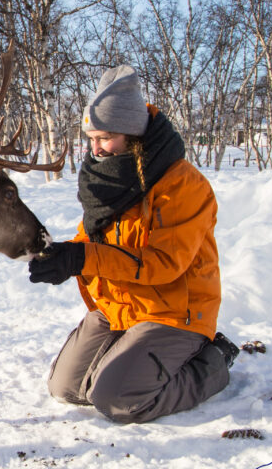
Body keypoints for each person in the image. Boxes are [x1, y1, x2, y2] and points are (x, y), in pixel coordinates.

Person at [27, 65, 240, 423]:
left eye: (105, 137)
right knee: (66, 388)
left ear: (133, 133)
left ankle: (213, 361)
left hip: (174, 313)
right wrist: (63, 254)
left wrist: (83, 257)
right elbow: (92, 238)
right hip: (120, 307)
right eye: (91, 138)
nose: (95, 149)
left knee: (118, 401)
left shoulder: (182, 185)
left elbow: (162, 263)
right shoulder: (108, 177)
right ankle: (129, 356)